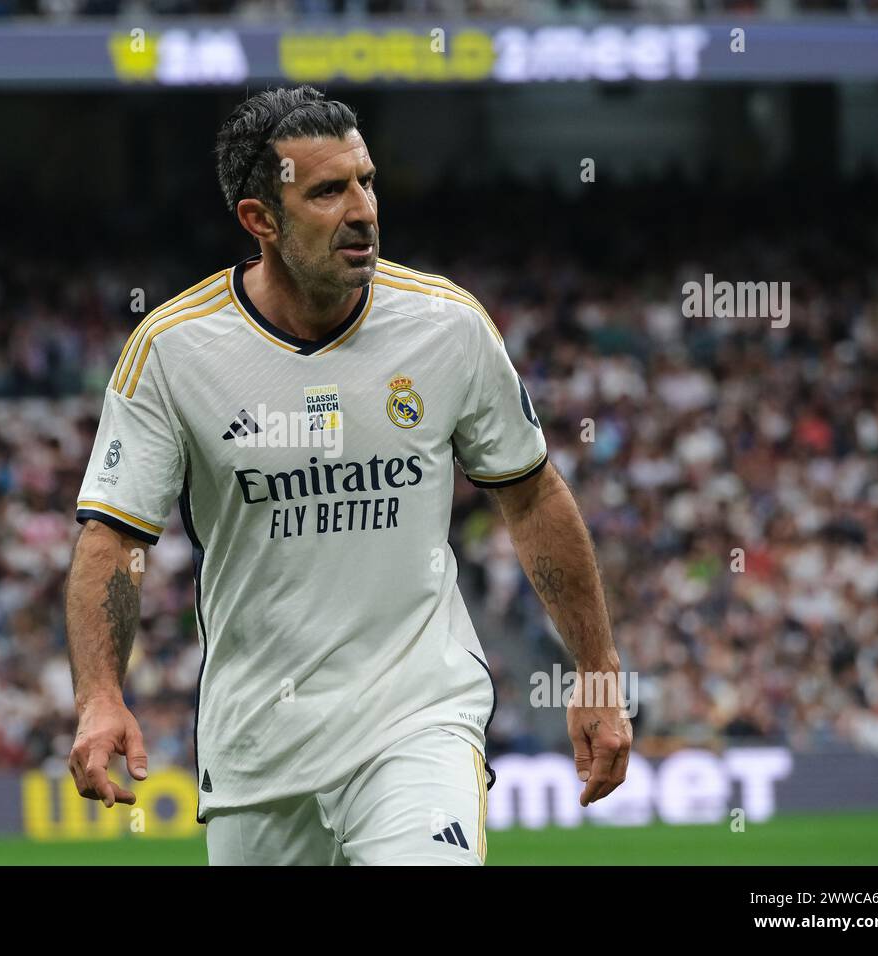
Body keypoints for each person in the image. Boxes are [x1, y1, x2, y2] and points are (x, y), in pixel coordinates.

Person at [64, 85, 631, 865]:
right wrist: (100, 694)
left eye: (366, 181)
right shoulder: (172, 350)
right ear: (260, 220)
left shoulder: (447, 326)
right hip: (259, 744)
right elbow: (114, 537)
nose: (363, 208)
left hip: (417, 717)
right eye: (328, 191)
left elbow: (531, 494)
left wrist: (597, 670)